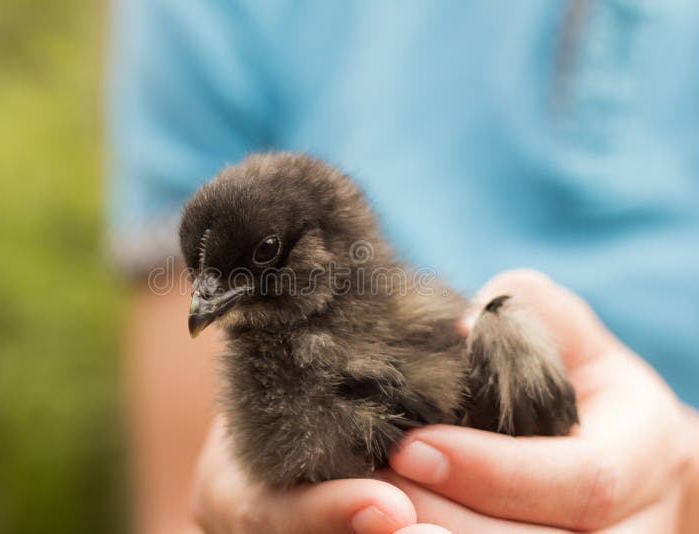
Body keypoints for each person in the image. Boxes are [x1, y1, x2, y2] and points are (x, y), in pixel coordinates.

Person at [107, 1, 699, 532]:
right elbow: (179, 507)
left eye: (261, 258)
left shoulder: (468, 345)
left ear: (330, 243)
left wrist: (681, 494)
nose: (203, 301)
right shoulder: (205, 14)